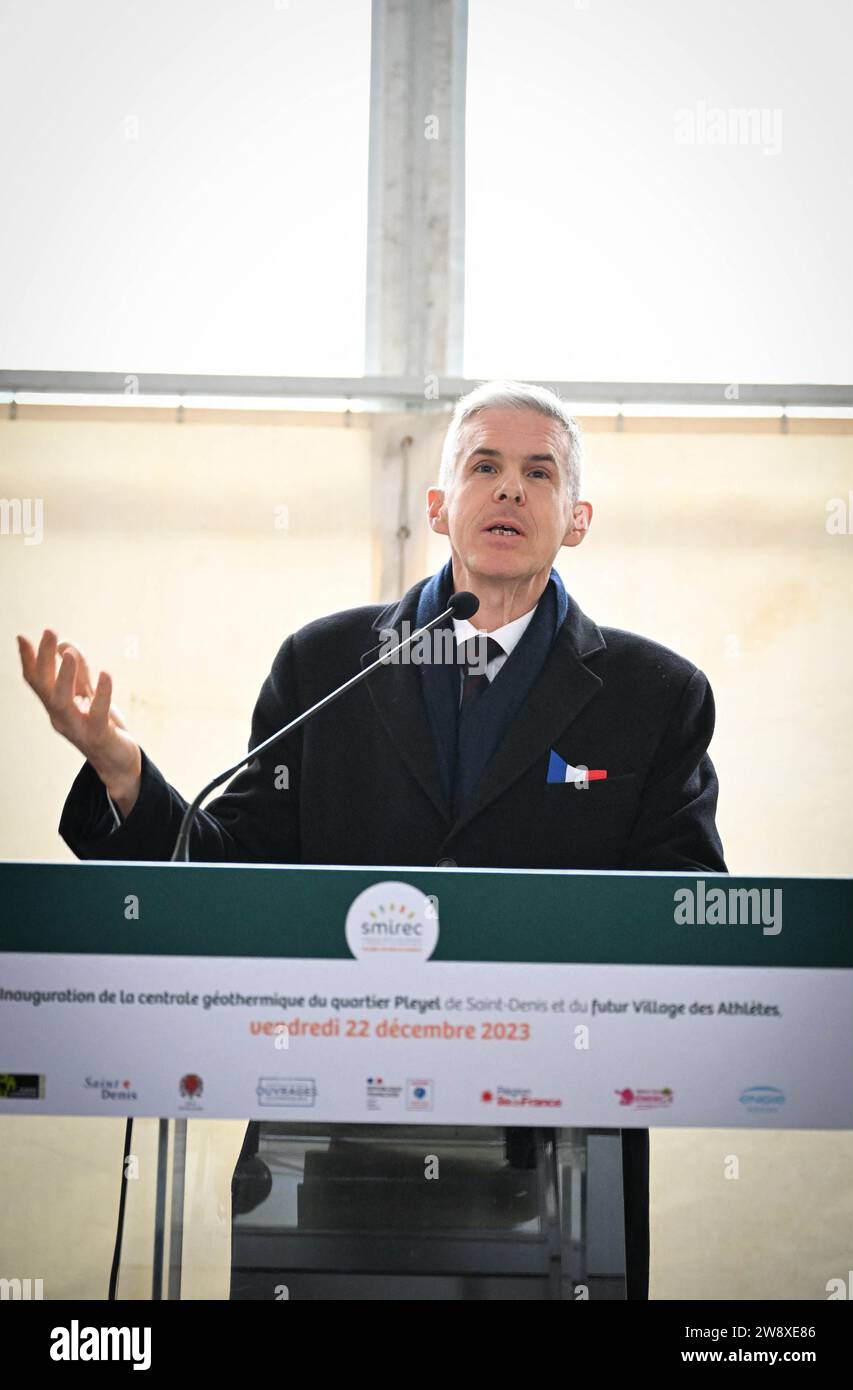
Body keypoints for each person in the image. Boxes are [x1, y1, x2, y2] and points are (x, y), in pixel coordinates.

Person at [18, 379, 727, 1299]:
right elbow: (231, 871)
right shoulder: (326, 664)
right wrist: (122, 772)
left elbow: (685, 911)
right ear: (439, 505)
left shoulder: (655, 694)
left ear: (577, 519)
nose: (509, 490)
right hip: (330, 1148)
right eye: (484, 466)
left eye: (538, 473)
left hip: (557, 1156)